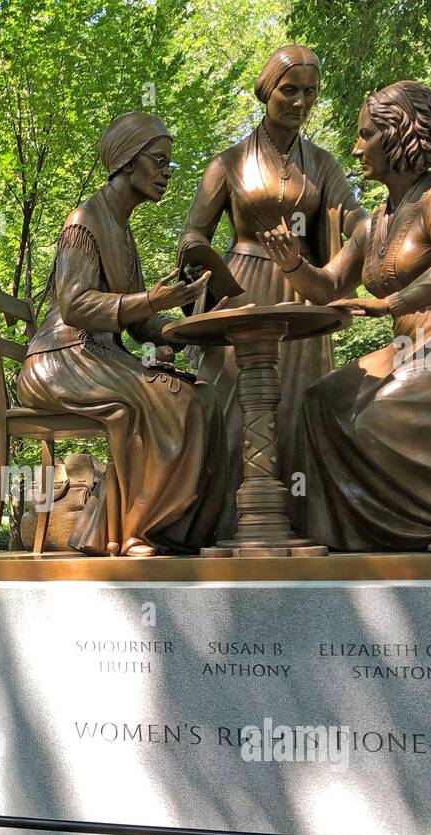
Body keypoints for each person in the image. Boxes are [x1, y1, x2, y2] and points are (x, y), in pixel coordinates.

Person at [260, 81, 431, 551]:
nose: (356, 147)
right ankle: (362, 531)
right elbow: (327, 286)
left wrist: (391, 304)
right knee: (320, 401)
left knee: (382, 415)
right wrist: (291, 264)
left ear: (399, 135)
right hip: (415, 340)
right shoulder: (376, 222)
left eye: (366, 135)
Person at [16, 111, 226, 556]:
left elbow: (138, 323)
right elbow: (75, 305)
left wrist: (193, 322)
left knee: (203, 396)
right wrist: (152, 300)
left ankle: (174, 529)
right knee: (165, 401)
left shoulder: (123, 232)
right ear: (129, 160)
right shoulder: (84, 221)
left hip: (96, 357)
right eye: (159, 159)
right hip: (61, 358)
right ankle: (131, 530)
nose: (167, 171)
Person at [178, 45, 365, 538]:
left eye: (310, 92)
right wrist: (208, 268)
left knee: (298, 403)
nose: (300, 101)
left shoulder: (324, 165)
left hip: (299, 293)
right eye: (289, 90)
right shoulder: (228, 163)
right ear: (266, 90)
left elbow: (359, 222)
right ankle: (227, 525)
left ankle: (302, 524)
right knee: (231, 405)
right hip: (241, 289)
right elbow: (193, 233)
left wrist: (355, 257)